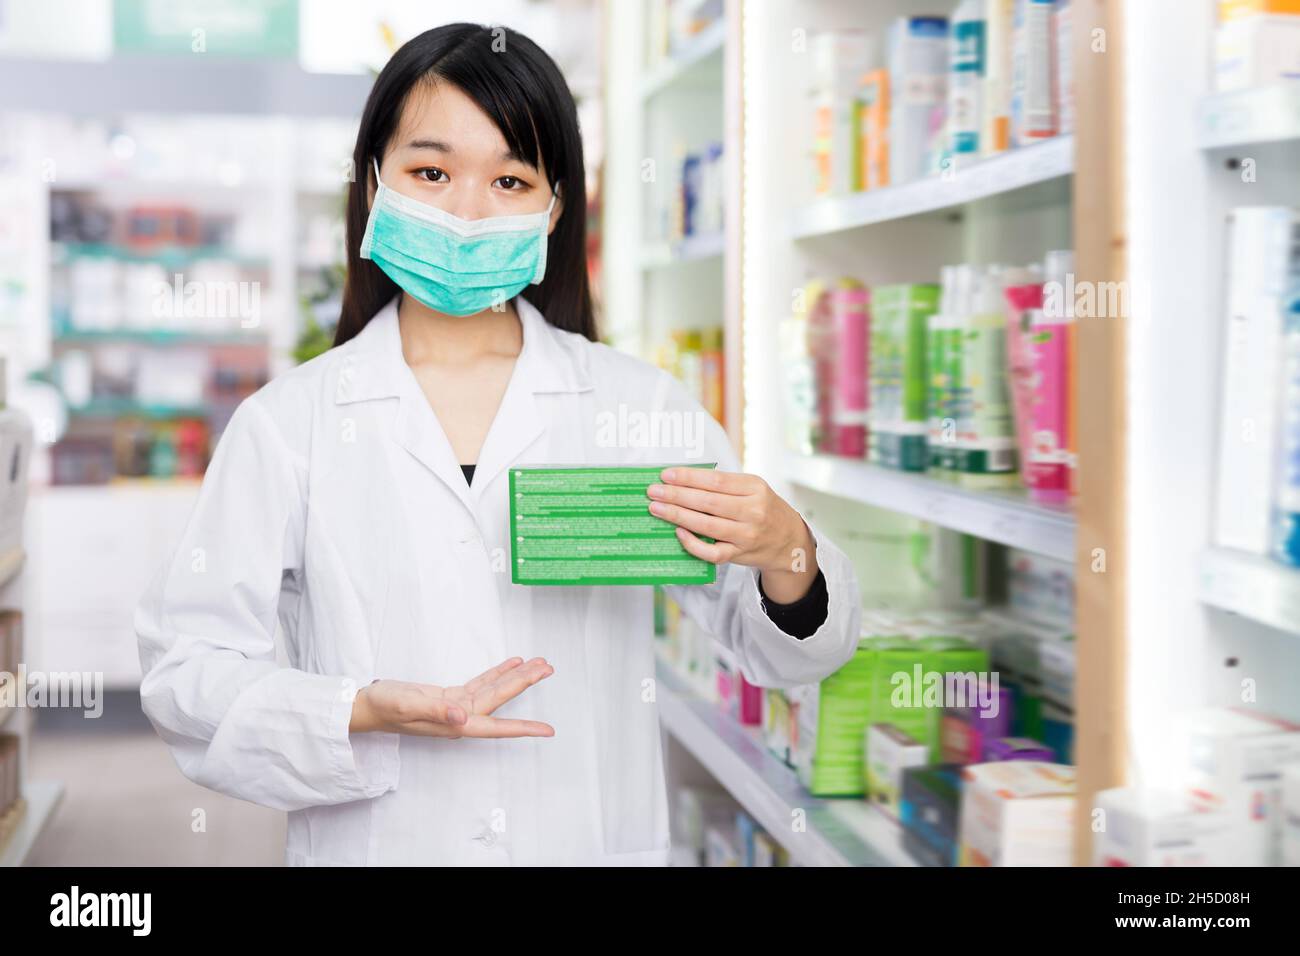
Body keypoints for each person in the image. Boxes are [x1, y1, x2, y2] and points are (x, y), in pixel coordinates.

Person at [136, 22, 861, 866]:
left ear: (555, 207)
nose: (467, 213)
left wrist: (789, 553)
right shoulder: (288, 423)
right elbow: (187, 677)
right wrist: (361, 710)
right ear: (374, 184)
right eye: (431, 172)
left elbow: (783, 650)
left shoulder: (635, 408)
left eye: (510, 178)